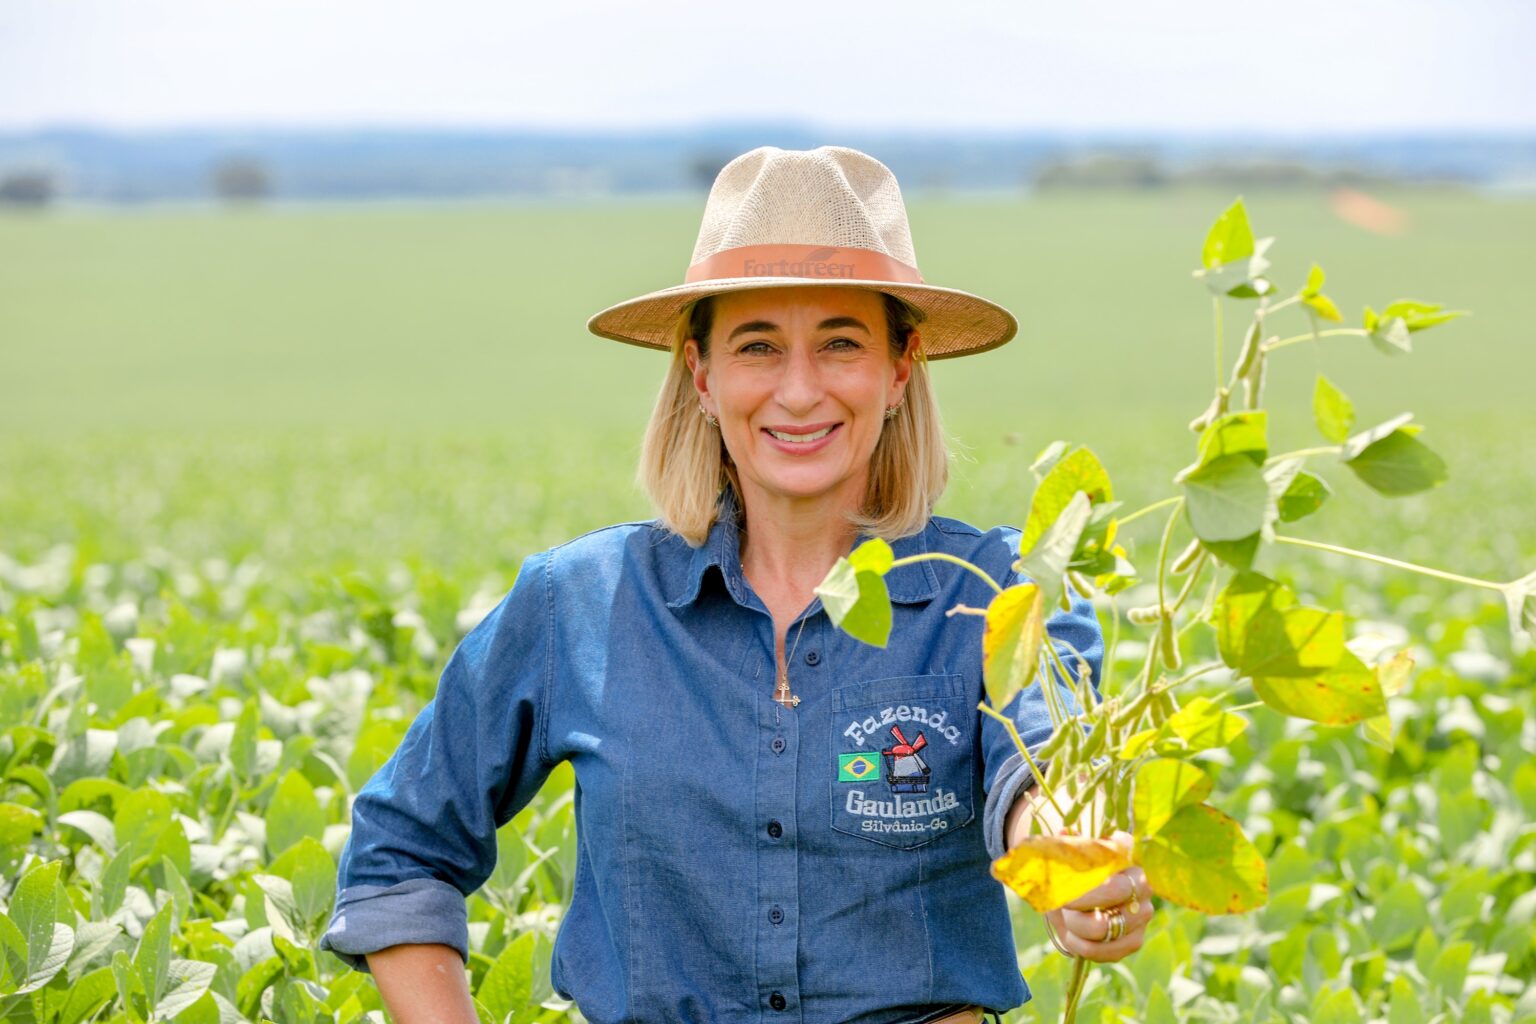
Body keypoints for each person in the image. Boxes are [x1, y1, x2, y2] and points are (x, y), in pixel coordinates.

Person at [319, 145, 1154, 1024]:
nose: (800, 392)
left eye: (841, 343)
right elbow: (401, 847)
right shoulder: (581, 603)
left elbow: (1044, 768)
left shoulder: (1000, 590)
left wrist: (1068, 857)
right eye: (758, 347)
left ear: (900, 370)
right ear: (702, 375)